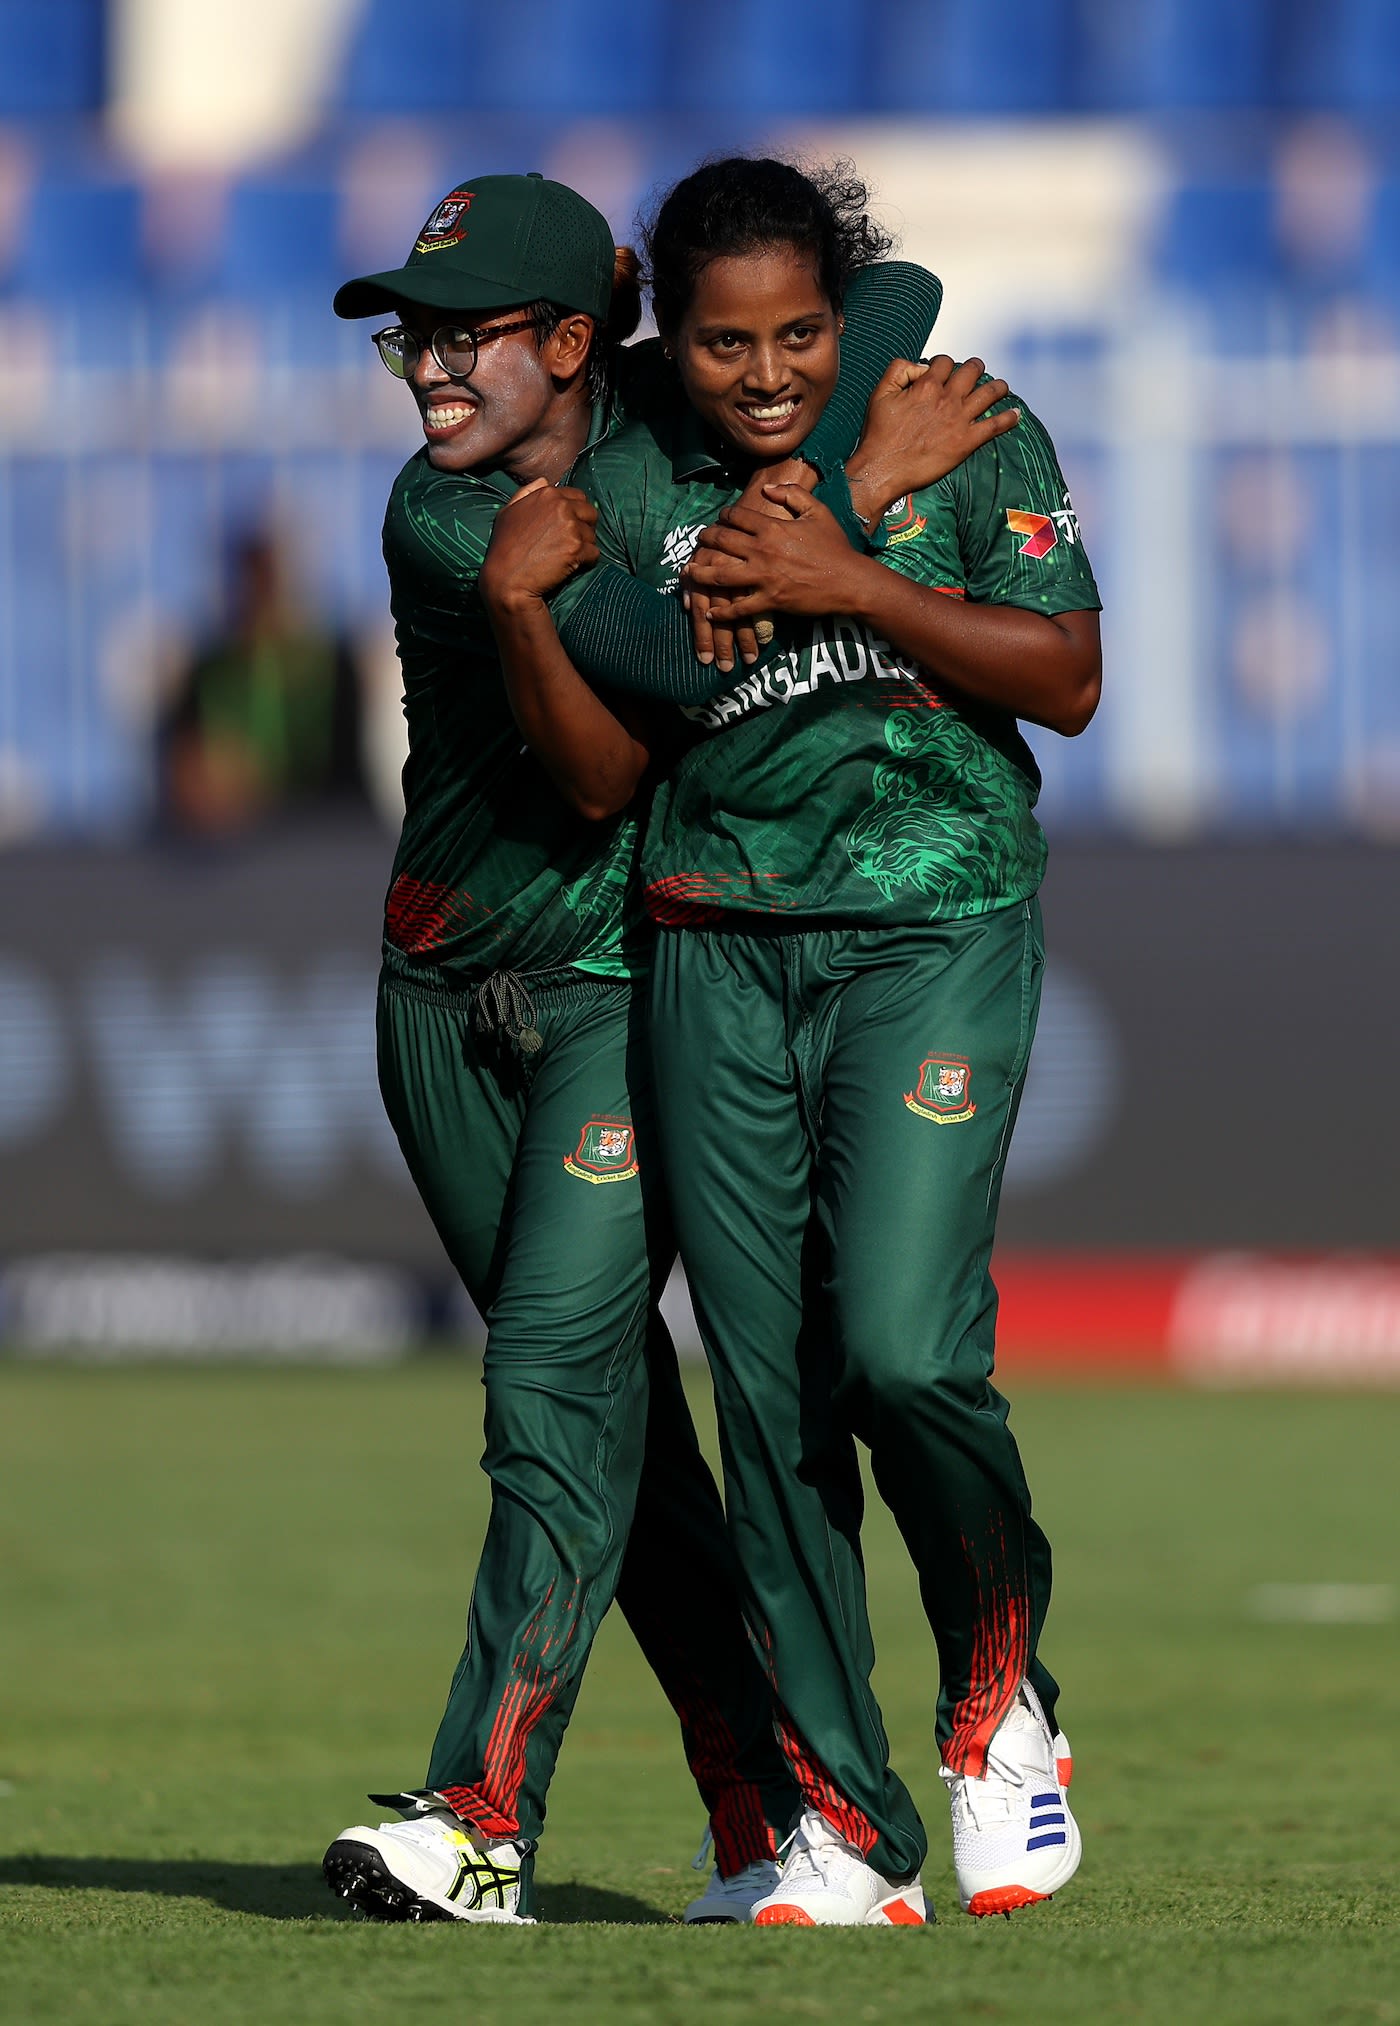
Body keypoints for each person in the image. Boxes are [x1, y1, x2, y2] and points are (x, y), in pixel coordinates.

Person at [320, 169, 990, 1925]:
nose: (429, 371)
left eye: (467, 336)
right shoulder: (443, 518)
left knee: (552, 1391)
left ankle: (477, 1817)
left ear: (569, 336)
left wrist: (852, 474)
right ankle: (777, 1804)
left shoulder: (668, 444)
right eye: (416, 337)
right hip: (436, 1004)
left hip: (622, 981)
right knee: (615, 1433)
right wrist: (843, 495)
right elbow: (641, 723)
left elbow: (892, 294)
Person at [479, 156, 1102, 1928]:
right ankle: (842, 1818)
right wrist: (823, 509)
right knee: (768, 1402)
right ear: (671, 339)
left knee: (905, 1353)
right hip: (713, 944)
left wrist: (858, 570)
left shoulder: (960, 421)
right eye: (729, 342)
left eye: (803, 335)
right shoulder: (624, 484)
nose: (767, 374)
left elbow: (1061, 677)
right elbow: (658, 677)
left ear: (848, 313)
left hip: (934, 924)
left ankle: (1000, 1693)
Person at [159, 526, 369, 837]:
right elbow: (183, 771)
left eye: (274, 581)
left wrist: (257, 780)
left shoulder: (334, 666)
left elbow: (348, 777)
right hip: (230, 852)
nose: (263, 595)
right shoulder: (208, 670)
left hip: (322, 843)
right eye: (252, 581)